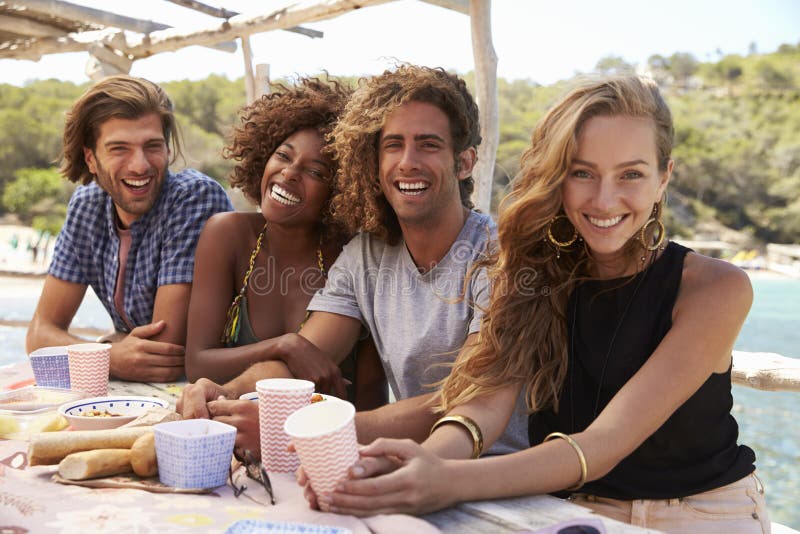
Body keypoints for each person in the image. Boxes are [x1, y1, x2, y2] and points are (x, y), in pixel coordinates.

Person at [307, 75, 770, 533]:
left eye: (631, 174)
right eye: (582, 172)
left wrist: (447, 479)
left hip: (704, 514)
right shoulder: (529, 273)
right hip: (566, 515)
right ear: (557, 178)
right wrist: (409, 465)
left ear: (664, 177)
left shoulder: (716, 288)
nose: (605, 199)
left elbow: (606, 441)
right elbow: (482, 405)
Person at [178, 65, 529, 456]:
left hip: (501, 485)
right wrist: (225, 393)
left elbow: (467, 396)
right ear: (374, 164)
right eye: (393, 145)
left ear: (464, 163)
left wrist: (304, 428)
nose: (407, 162)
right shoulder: (367, 254)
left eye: (428, 144)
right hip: (396, 467)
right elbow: (302, 359)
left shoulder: (500, 255)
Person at [183, 77, 387, 432]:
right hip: (239, 431)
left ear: (341, 190)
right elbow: (197, 364)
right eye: (283, 155)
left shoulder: (356, 258)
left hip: (324, 441)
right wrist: (286, 346)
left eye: (315, 172)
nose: (289, 174)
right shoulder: (227, 235)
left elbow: (371, 397)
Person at [26, 75, 233, 383]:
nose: (140, 165)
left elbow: (163, 353)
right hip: (142, 394)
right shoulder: (87, 206)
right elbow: (39, 337)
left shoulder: (194, 198)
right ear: (90, 159)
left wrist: (106, 348)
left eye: (152, 146)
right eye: (119, 148)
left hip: (212, 390)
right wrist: (111, 353)